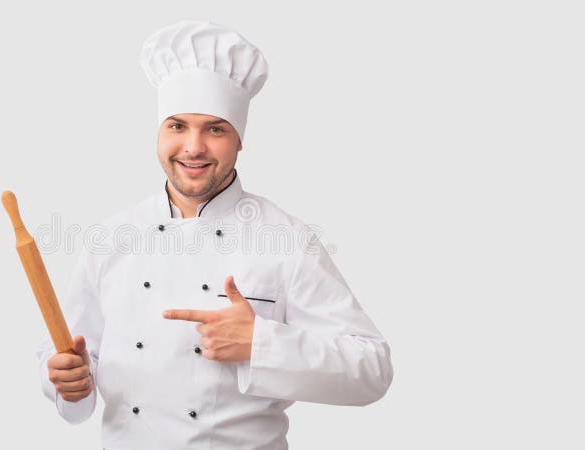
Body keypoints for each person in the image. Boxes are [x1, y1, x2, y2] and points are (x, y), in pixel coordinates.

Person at [36, 20, 393, 450]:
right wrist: (64, 380)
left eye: (215, 129)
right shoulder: (112, 238)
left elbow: (372, 369)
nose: (193, 147)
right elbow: (73, 358)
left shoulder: (284, 239)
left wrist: (261, 344)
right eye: (177, 126)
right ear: (159, 132)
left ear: (240, 139)